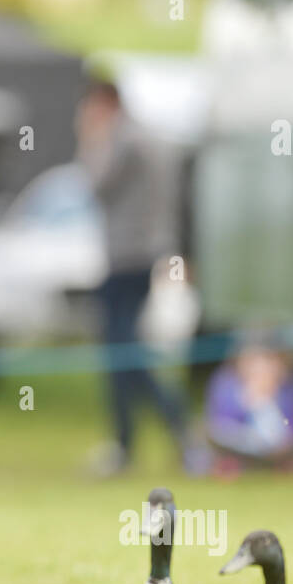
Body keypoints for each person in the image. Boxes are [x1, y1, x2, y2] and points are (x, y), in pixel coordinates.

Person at [75, 77, 196, 475]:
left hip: (127, 259)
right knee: (126, 354)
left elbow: (95, 184)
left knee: (124, 354)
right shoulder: (149, 138)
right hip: (140, 256)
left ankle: (163, 432)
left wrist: (90, 140)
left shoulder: (124, 141)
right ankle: (151, 436)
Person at [206, 343, 293, 476]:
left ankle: (274, 462)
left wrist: (267, 404)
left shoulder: (288, 391)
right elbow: (221, 421)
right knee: (220, 435)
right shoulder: (229, 387)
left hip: (277, 442)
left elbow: (291, 425)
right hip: (240, 440)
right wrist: (248, 402)